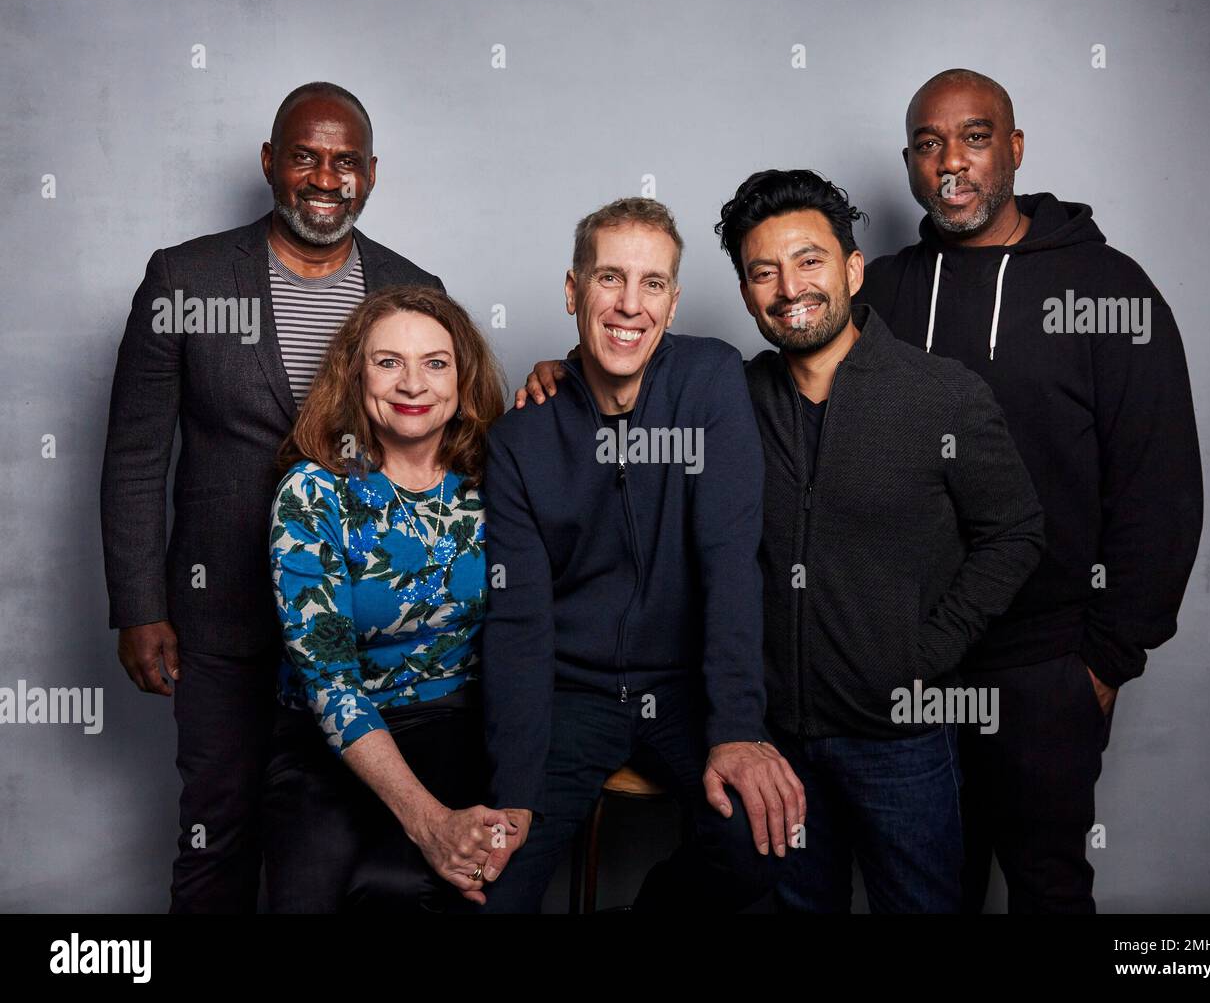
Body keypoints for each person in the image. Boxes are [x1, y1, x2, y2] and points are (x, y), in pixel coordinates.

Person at [518, 171, 1045, 912]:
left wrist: (924, 653)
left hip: (900, 737)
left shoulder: (942, 396)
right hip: (773, 741)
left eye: (809, 261)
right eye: (763, 271)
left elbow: (1016, 533)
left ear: (852, 270)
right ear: (745, 293)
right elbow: (623, 366)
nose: (788, 286)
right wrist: (561, 373)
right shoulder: (731, 393)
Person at [855, 68, 1204, 912]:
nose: (952, 163)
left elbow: (1160, 484)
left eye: (975, 138)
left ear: (1013, 149)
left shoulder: (1108, 289)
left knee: (1048, 889)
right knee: (928, 894)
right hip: (911, 665)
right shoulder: (886, 292)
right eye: (930, 144)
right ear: (909, 163)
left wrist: (1105, 661)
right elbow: (776, 378)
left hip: (1045, 666)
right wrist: (581, 375)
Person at [99, 82, 444, 912]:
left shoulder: (412, 289)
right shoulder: (185, 277)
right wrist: (138, 606)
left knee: (328, 846)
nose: (325, 177)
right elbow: (136, 456)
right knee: (216, 832)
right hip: (221, 619)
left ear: (371, 174)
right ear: (269, 163)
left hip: (364, 628)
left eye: (345, 161)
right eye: (304, 156)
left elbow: (453, 434)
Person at [479, 197, 804, 913]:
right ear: (573, 291)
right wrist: (515, 797)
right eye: (609, 279)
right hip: (571, 697)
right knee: (494, 885)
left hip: (686, 689)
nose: (630, 304)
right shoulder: (519, 443)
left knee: (761, 847)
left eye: (652, 283)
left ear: (673, 299)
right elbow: (518, 629)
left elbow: (729, 565)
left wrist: (738, 731)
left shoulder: (712, 382)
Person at [263, 284, 515, 912]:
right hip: (331, 736)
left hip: (456, 725)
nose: (413, 384)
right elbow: (327, 682)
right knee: (309, 899)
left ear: (463, 380)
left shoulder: (497, 481)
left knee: (406, 890)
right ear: (355, 375)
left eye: (435, 363)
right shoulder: (312, 493)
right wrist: (427, 823)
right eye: (388, 362)